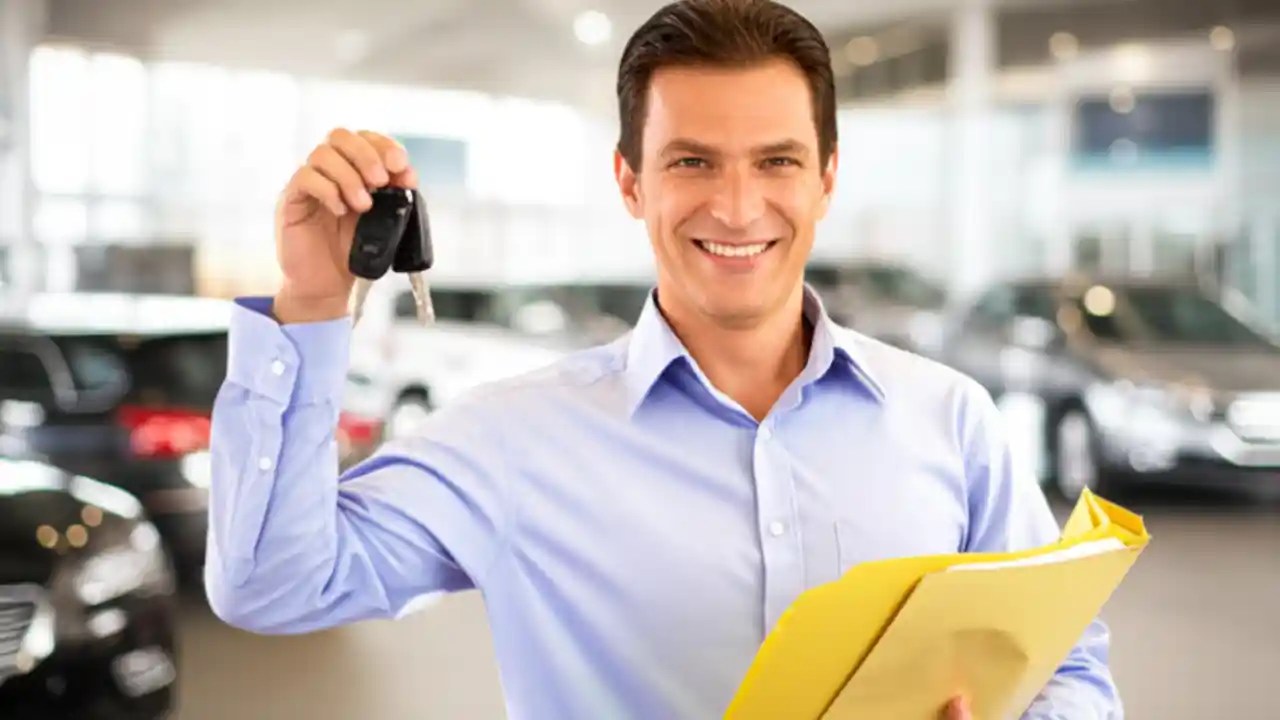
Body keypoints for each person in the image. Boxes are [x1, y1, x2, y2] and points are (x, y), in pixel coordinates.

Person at [205, 1, 1121, 718]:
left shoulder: (950, 419)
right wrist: (314, 306)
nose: (735, 206)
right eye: (691, 163)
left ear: (827, 179)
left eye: (776, 162)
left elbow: (1067, 663)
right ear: (630, 182)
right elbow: (271, 584)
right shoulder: (514, 440)